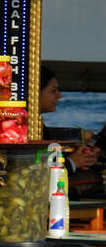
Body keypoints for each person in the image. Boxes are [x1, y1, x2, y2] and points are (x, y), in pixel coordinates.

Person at [40, 66, 101, 198]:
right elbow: (39, 173)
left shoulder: (38, 125)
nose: (59, 95)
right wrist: (72, 163)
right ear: (34, 92)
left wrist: (80, 157)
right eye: (53, 90)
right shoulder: (28, 127)